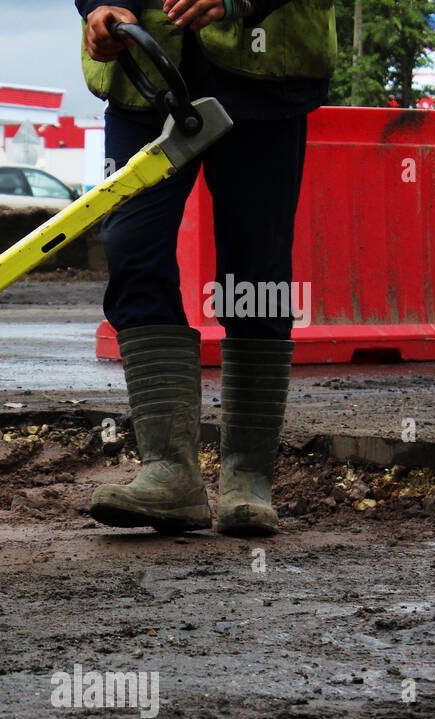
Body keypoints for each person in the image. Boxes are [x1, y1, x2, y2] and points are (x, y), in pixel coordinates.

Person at [78, 0, 336, 535]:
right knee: (132, 246)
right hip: (145, 70)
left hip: (263, 82)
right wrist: (98, 4)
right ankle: (170, 473)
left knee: (256, 270)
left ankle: (247, 477)